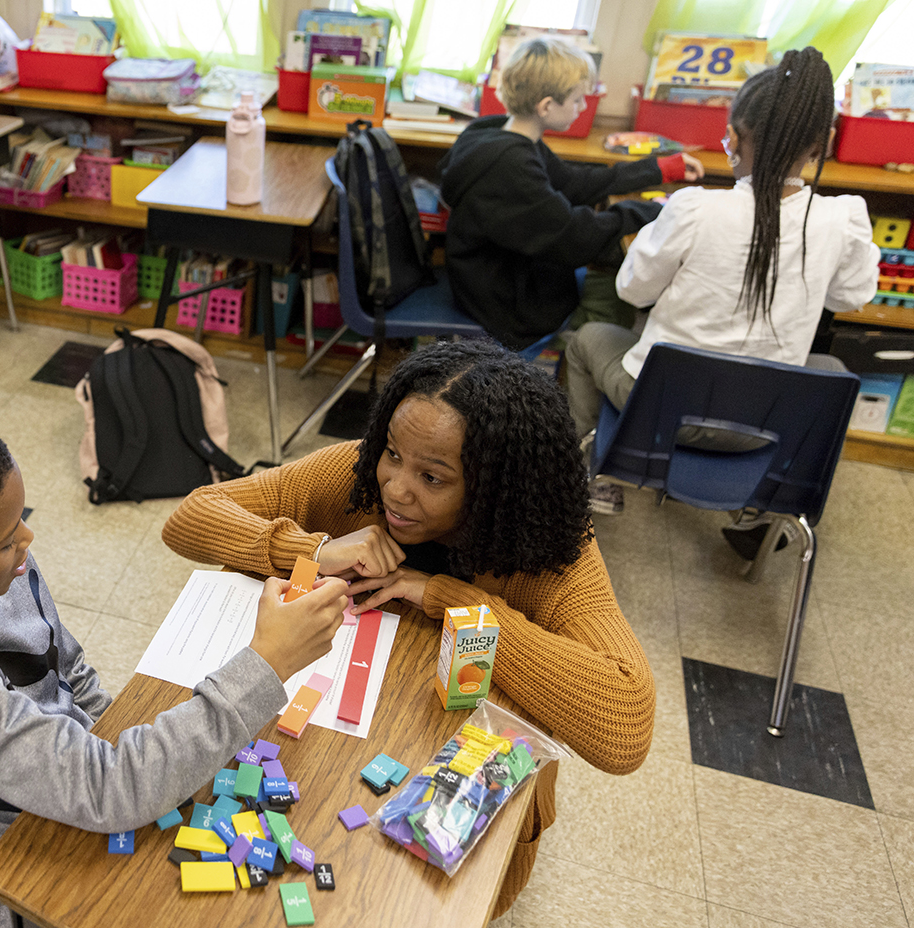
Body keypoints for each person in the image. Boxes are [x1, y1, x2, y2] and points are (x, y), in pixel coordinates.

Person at [0, 409, 350, 928]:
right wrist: (268, 662)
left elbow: (65, 666)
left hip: (74, 790)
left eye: (20, 522)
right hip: (6, 882)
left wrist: (122, 745)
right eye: (8, 541)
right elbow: (108, 791)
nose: (27, 541)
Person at [162, 338, 655, 919]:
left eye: (433, 477)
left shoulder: (550, 547)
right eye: (392, 454)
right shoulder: (360, 475)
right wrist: (312, 549)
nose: (397, 487)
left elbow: (627, 726)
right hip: (343, 738)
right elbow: (191, 515)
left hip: (453, 780)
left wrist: (449, 597)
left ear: (496, 488)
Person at [564, 47, 880, 517]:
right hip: (767, 423)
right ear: (823, 145)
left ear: (730, 138)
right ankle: (761, 518)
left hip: (662, 413)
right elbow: (851, 296)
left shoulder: (695, 207)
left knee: (585, 339)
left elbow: (633, 290)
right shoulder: (843, 217)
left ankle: (580, 483)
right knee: (829, 370)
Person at [439, 37, 705, 352]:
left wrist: (657, 169)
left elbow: (572, 182)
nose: (582, 108)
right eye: (578, 100)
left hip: (497, 271)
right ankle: (572, 364)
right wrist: (656, 211)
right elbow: (574, 238)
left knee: (611, 270)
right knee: (614, 288)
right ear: (547, 106)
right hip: (503, 296)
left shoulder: (499, 131)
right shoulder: (510, 164)